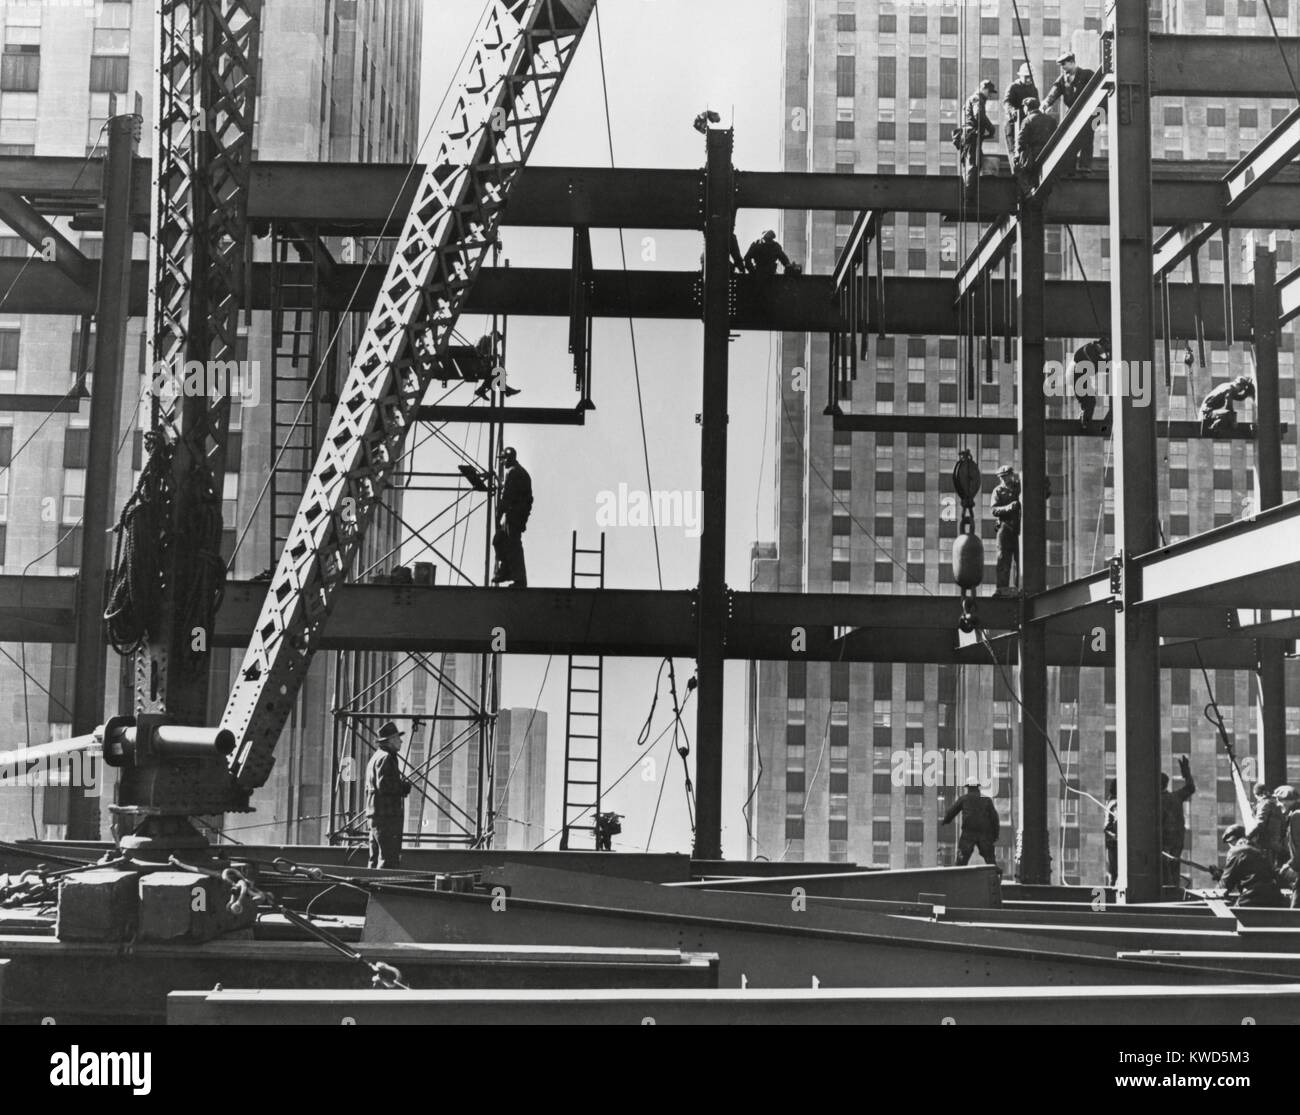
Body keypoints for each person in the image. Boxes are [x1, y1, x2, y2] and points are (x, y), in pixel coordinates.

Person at [1041, 51, 1097, 174]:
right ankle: (1069, 167)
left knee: (1087, 138)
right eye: (1061, 65)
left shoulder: (1087, 74)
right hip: (1071, 113)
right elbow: (1053, 93)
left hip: (1087, 113)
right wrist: (1045, 104)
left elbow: (1098, 90)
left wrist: (1097, 114)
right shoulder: (1062, 79)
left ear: (1072, 62)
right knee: (1068, 139)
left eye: (1064, 64)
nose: (1063, 67)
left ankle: (1084, 167)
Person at [365, 721, 411, 869]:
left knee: (374, 858)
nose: (401, 741)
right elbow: (385, 786)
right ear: (390, 741)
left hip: (375, 816)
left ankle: (370, 889)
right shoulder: (387, 758)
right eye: (398, 738)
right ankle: (382, 890)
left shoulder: (376, 757)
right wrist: (403, 787)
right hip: (387, 818)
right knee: (388, 859)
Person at [1215, 824, 1287, 907]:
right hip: (1274, 897)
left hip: (1252, 898)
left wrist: (1213, 893)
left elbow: (1225, 885)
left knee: (1229, 916)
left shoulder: (1235, 851)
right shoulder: (1258, 848)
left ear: (1232, 841)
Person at [492, 446, 532, 587]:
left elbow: (507, 497)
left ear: (508, 459)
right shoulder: (520, 472)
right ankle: (507, 569)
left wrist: (499, 514)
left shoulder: (514, 473)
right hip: (517, 515)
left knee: (512, 545)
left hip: (514, 516)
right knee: (500, 541)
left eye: (503, 460)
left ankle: (518, 578)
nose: (502, 463)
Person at [943, 778, 1001, 868]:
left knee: (961, 862)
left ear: (968, 787)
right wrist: (995, 835)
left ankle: (958, 879)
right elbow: (994, 818)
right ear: (978, 787)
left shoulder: (964, 799)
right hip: (984, 834)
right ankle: (995, 877)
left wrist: (945, 821)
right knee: (990, 860)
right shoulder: (987, 800)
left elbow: (952, 812)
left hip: (968, 833)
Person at [958, 79, 998, 201]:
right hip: (971, 135)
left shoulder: (975, 99)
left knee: (975, 162)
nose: (990, 96)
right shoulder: (977, 99)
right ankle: (969, 197)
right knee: (973, 164)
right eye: (989, 92)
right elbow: (979, 115)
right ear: (984, 89)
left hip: (969, 135)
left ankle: (970, 193)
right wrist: (991, 128)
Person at [1160, 756, 1195, 887]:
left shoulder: (1154, 801)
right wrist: (1186, 774)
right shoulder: (1176, 797)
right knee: (1174, 866)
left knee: (1163, 871)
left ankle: (1169, 890)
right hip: (1177, 840)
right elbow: (1190, 787)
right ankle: (1173, 888)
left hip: (1163, 842)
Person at [1013, 97, 1058, 197]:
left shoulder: (1027, 120)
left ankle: (1028, 191)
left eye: (1024, 107)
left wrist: (1017, 156)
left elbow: (1021, 140)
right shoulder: (1051, 120)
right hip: (1048, 154)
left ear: (1027, 108)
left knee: (1018, 170)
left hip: (1034, 153)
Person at [990, 464, 1021, 598]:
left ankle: (1019, 587)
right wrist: (1009, 507)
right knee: (1003, 558)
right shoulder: (998, 491)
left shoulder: (1018, 487)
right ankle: (1002, 588)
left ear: (1011, 475)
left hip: (1019, 528)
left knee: (1020, 560)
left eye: (1006, 476)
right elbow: (994, 510)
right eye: (1001, 477)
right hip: (1004, 526)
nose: (1004, 479)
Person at [1069, 338, 1109, 431]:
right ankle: (1084, 423)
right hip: (1076, 377)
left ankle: (1084, 420)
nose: (1103, 352)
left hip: (1077, 376)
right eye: (1104, 349)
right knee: (1089, 401)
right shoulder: (1089, 350)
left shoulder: (1090, 349)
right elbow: (1101, 365)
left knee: (1088, 401)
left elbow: (1102, 365)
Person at [1002, 63, 1039, 159]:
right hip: (1013, 124)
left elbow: (1036, 105)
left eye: (1030, 77)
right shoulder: (1013, 87)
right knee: (1014, 152)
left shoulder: (1033, 89)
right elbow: (1007, 102)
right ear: (1021, 76)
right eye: (1026, 77)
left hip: (1027, 125)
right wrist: (1012, 111)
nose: (1028, 80)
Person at [1247, 782, 1287, 867]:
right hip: (1277, 844)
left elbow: (1260, 824)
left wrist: (1247, 836)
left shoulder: (1264, 803)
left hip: (1266, 844)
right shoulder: (1277, 804)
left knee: (1265, 870)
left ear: (1258, 794)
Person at [1275, 785, 1300, 907]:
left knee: (1295, 912)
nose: (1279, 804)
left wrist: (1292, 866)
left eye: (1280, 800)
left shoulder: (1297, 816)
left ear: (1290, 800)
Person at [1103, 777, 1119, 887]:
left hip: (1112, 843)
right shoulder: (1116, 804)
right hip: (1115, 844)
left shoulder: (1111, 802)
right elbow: (1108, 827)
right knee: (1114, 873)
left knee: (1113, 874)